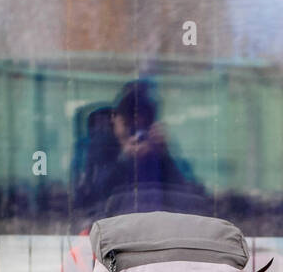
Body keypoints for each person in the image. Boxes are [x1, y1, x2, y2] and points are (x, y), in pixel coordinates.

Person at [72, 79, 211, 225]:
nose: (136, 134)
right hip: (110, 227)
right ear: (114, 118)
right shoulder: (96, 145)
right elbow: (87, 200)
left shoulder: (160, 147)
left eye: (142, 127)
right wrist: (124, 159)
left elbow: (191, 198)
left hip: (157, 225)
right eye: (128, 125)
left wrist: (165, 156)